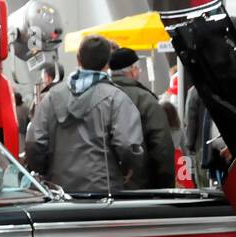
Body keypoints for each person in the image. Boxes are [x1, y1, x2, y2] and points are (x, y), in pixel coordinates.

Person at [23, 35, 144, 194]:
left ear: (78, 59)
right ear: (108, 63)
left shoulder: (52, 97)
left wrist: (44, 170)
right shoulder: (117, 99)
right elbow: (128, 145)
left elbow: (35, 142)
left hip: (59, 193)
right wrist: (128, 169)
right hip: (104, 193)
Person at [182, 16, 236, 188]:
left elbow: (190, 130)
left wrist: (191, 150)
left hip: (209, 156)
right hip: (220, 156)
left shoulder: (198, 88)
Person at [108, 47, 176, 188]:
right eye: (138, 69)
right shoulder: (145, 99)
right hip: (140, 186)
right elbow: (161, 144)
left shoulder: (99, 95)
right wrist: (165, 184)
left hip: (103, 185)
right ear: (133, 70)